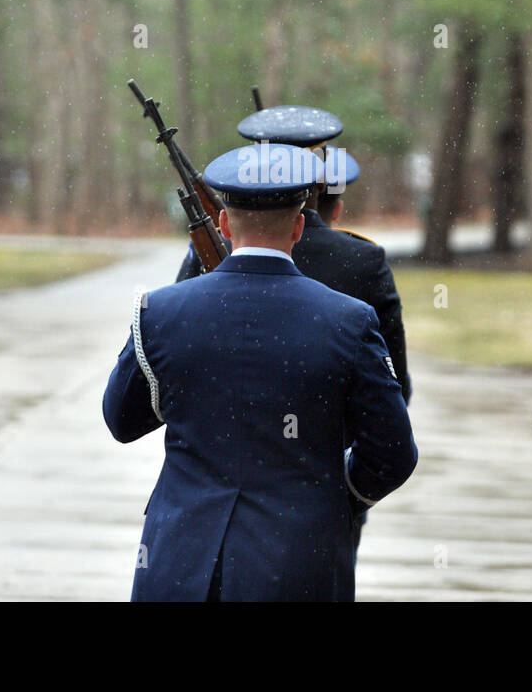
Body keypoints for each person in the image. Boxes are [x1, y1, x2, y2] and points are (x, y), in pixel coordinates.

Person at [103, 143, 418, 602]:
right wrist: (336, 495)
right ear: (298, 227)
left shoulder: (162, 311)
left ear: (225, 224)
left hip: (180, 563)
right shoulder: (349, 321)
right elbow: (392, 453)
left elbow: (123, 420)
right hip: (299, 563)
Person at [175, 107, 410, 404]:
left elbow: (176, 360)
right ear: (321, 179)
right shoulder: (364, 260)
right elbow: (393, 386)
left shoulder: (213, 248)